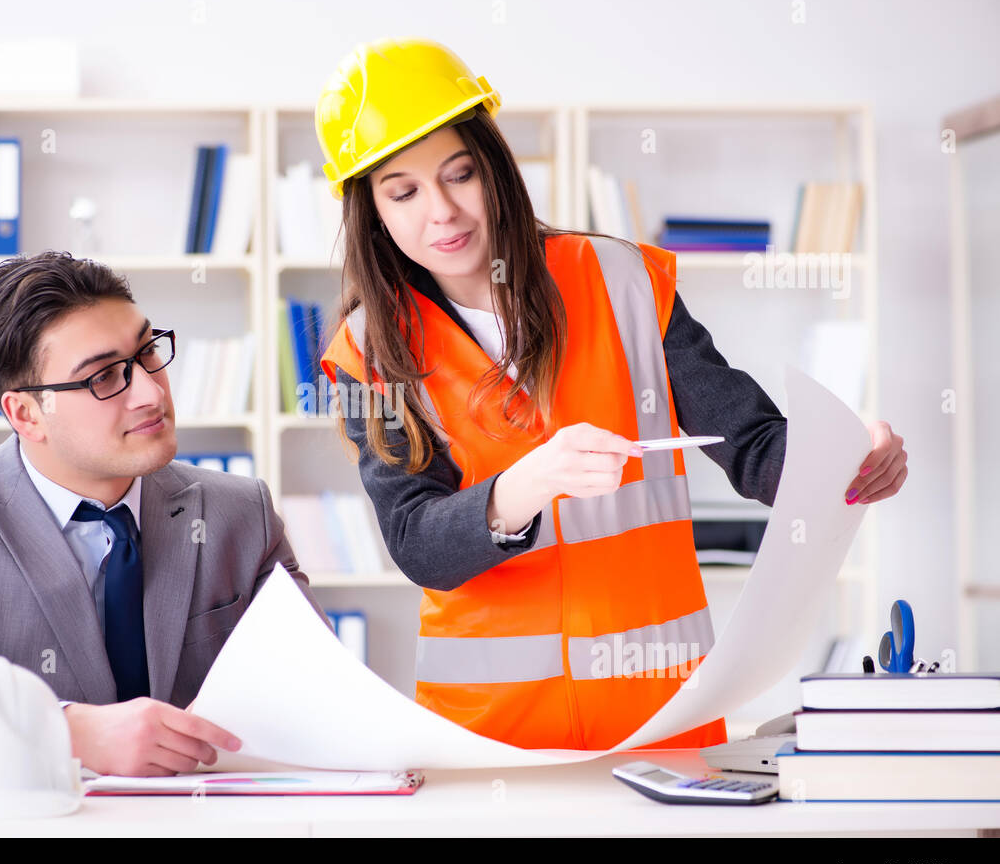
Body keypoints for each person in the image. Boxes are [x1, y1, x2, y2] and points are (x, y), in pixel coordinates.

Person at [316, 38, 908, 751]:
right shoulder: (365, 355)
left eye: (460, 173)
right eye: (402, 191)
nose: (440, 210)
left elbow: (752, 446)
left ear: (495, 167)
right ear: (371, 210)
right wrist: (528, 483)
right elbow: (415, 542)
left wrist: (848, 456)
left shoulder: (620, 280)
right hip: (487, 743)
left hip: (657, 722)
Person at [0, 251, 331, 777]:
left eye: (147, 353)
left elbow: (321, 691)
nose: (150, 392)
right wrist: (70, 734)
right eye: (103, 377)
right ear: (26, 414)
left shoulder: (240, 512)